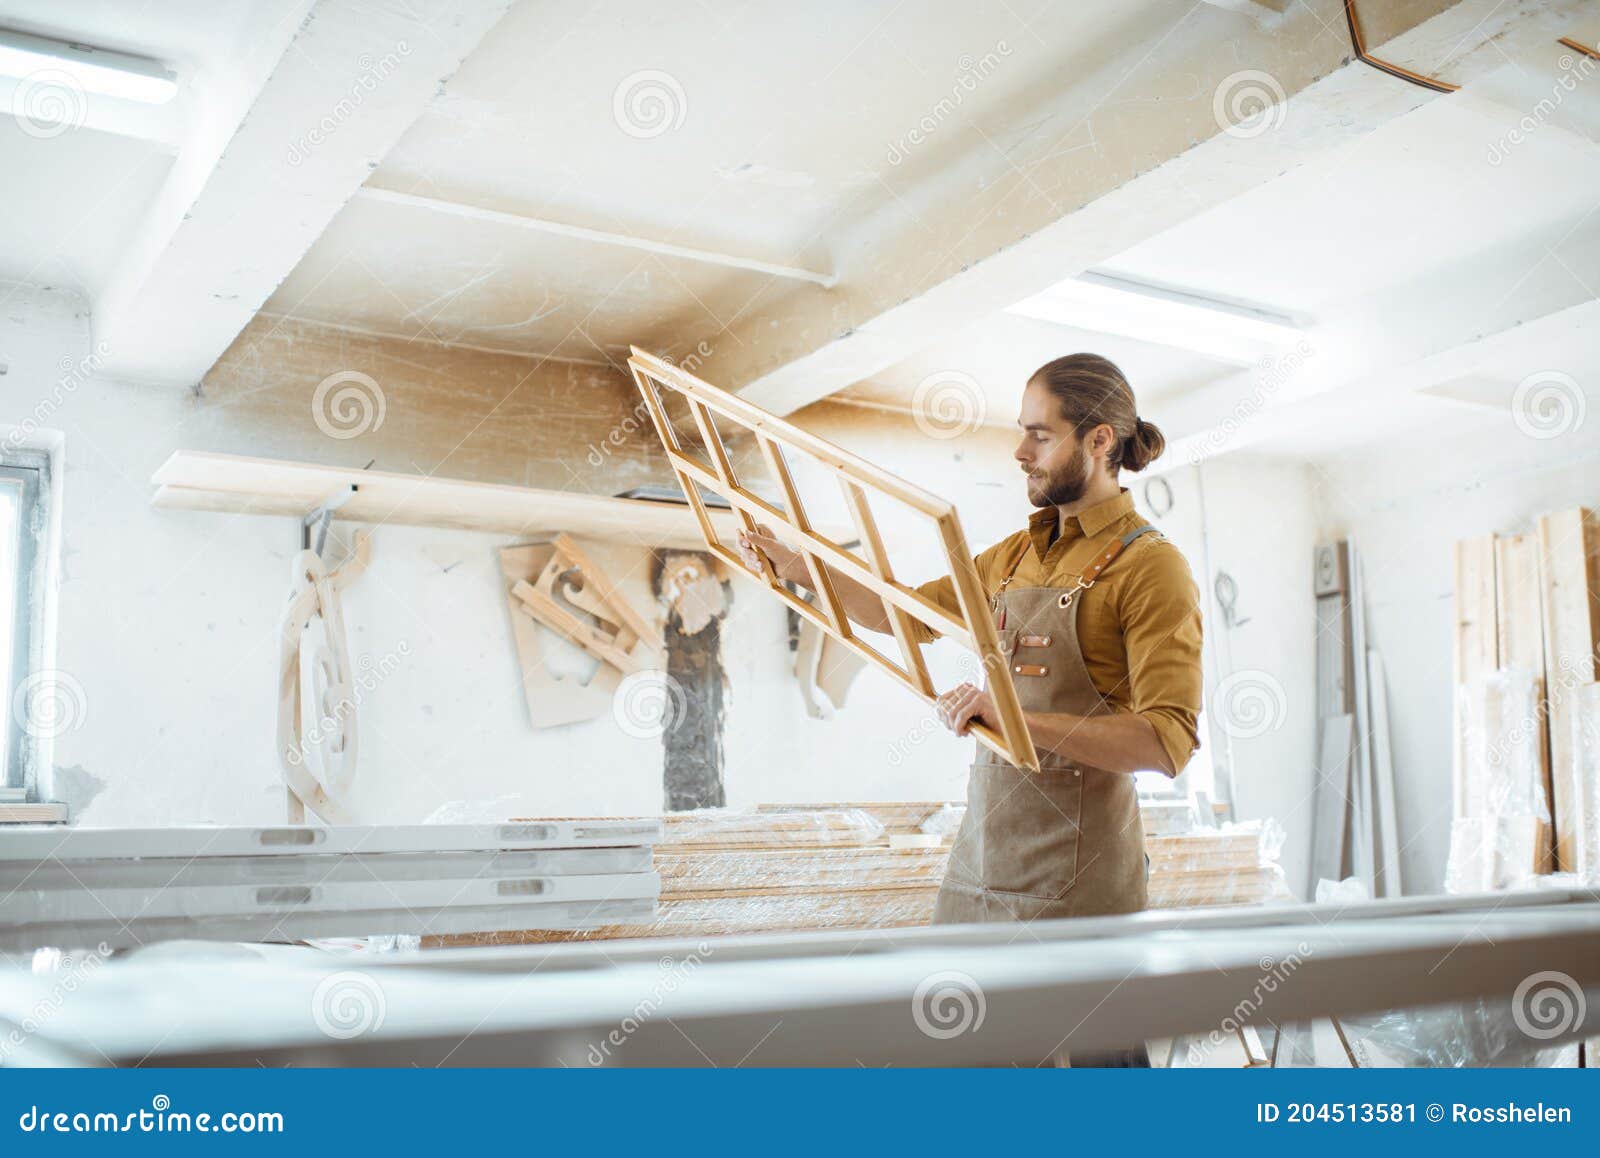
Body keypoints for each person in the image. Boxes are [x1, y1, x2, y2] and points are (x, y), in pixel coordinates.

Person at [738, 353, 1204, 1067]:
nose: (1021, 451)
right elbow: (910, 615)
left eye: (1041, 435)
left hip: (1078, 897)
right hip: (982, 870)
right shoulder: (1015, 555)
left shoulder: (1150, 566)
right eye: (1023, 432)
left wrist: (1012, 721)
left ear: (1101, 440)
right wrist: (803, 568)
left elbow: (1167, 742)